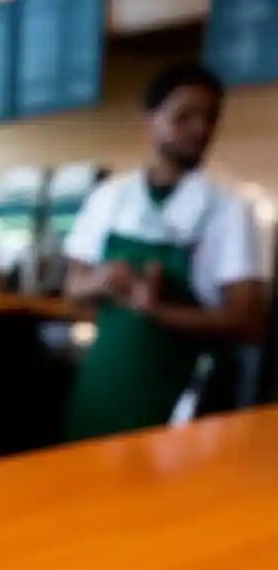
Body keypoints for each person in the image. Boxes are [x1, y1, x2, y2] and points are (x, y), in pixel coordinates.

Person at [62, 62, 269, 441]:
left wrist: (158, 311)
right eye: (184, 116)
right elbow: (72, 289)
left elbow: (248, 320)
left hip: (183, 392)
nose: (200, 129)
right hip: (103, 385)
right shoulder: (110, 198)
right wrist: (102, 280)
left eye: (209, 118)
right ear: (150, 121)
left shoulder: (227, 209)